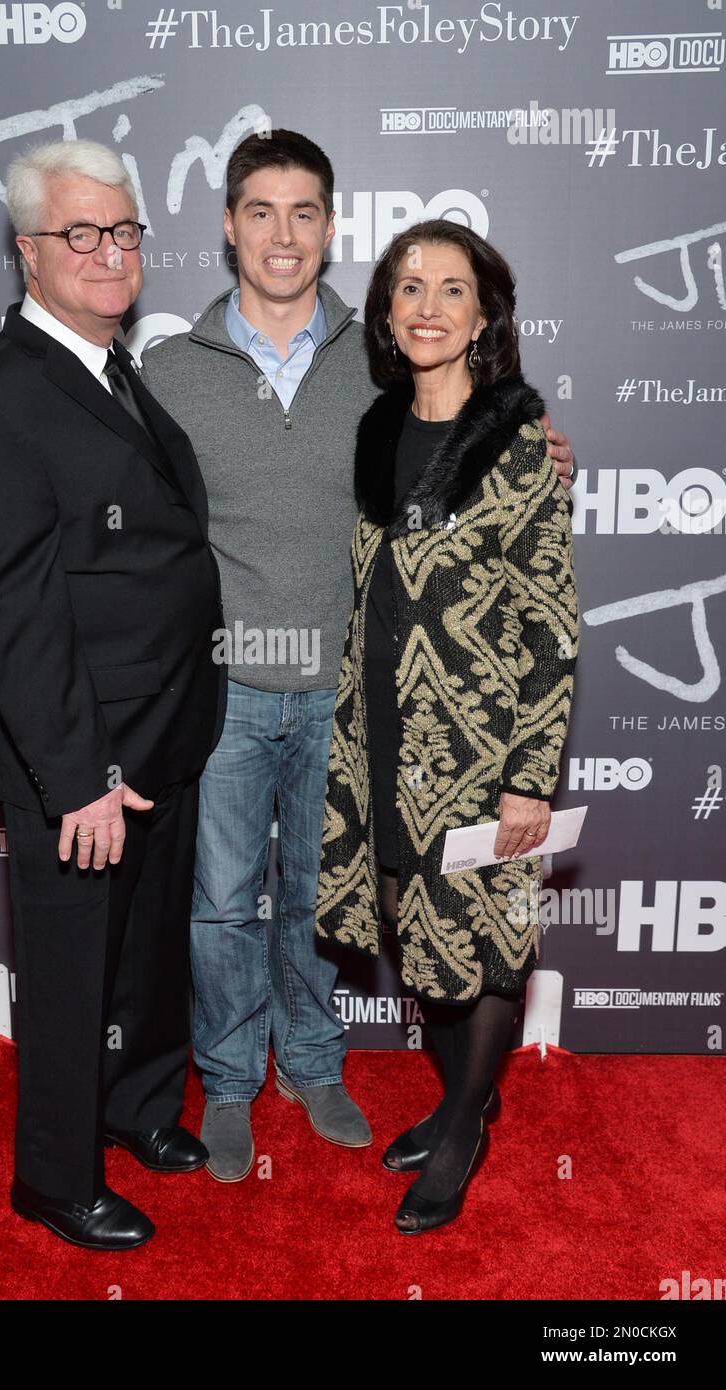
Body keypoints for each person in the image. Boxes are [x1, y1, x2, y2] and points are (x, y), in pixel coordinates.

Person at [139, 130, 576, 1182]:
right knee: (219, 904)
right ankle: (234, 1081)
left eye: (303, 214)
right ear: (230, 224)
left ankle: (316, 1064)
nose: (281, 235)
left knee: (320, 903)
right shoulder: (162, 370)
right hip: (231, 688)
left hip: (348, 699)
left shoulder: (372, 376)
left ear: (331, 230)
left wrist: (539, 442)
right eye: (258, 211)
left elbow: (479, 473)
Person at [0, 140, 226, 1250]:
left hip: (164, 725)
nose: (111, 253)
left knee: (148, 951)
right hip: (80, 756)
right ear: (28, 253)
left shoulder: (112, 366)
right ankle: (53, 1176)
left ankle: (139, 1107)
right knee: (67, 973)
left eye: (126, 231)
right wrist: (78, 783)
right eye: (81, 235)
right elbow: (11, 619)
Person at [315, 218, 579, 1234]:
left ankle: (463, 1126)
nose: (427, 306)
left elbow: (552, 630)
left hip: (481, 752)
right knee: (414, 937)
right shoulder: (376, 431)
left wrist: (528, 777)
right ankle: (463, 1098)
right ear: (385, 312)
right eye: (408, 286)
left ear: (484, 314)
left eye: (451, 289)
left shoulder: (515, 444)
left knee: (482, 949)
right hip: (378, 741)